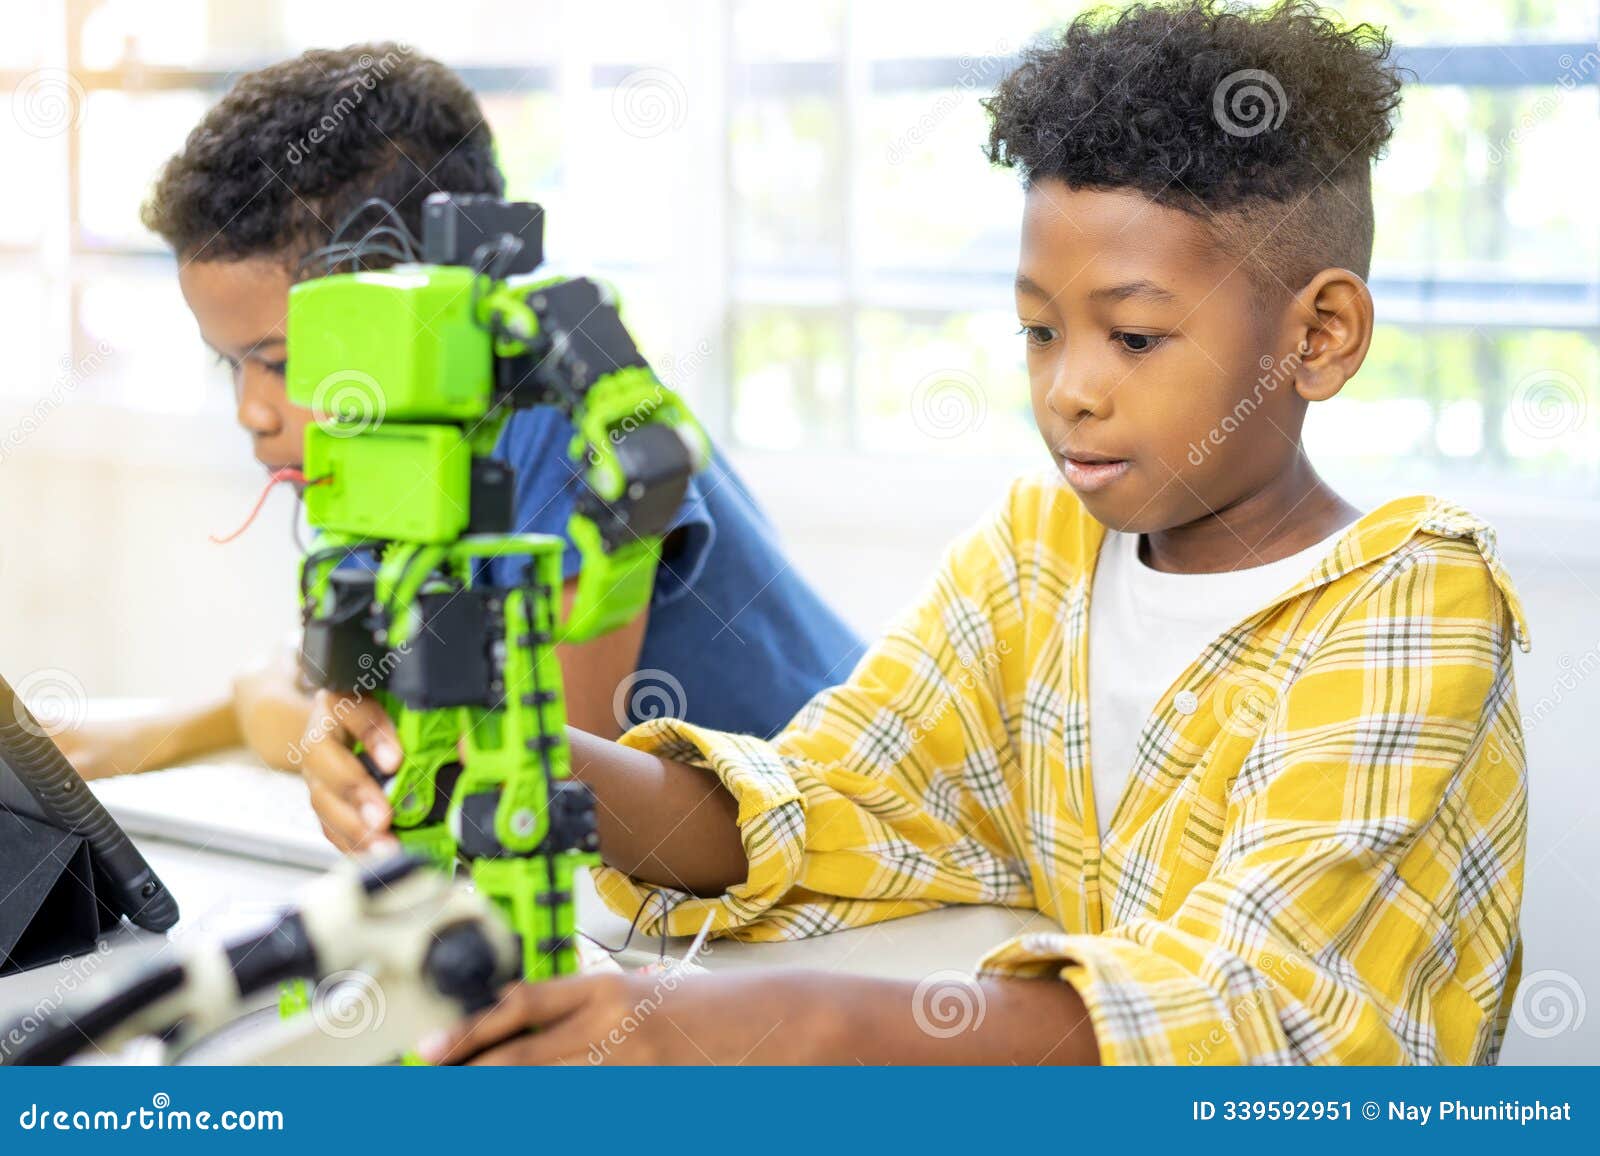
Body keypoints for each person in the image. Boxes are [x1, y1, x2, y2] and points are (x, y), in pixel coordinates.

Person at [307, 1, 1530, 1065]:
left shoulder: (1414, 601)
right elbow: (823, 802)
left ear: (1317, 337)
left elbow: (1250, 1012)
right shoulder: (1040, 553)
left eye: (1135, 337)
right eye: (1040, 332)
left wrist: (766, 1030)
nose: (1069, 391)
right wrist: (492, 748)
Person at [57, 43, 865, 793]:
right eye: (228, 363)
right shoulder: (384, 448)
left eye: (283, 361)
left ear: (427, 305)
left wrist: (263, 704)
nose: (251, 411)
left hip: (839, 840)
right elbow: (351, 691)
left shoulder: (555, 408)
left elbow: (538, 767)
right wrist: (213, 716)